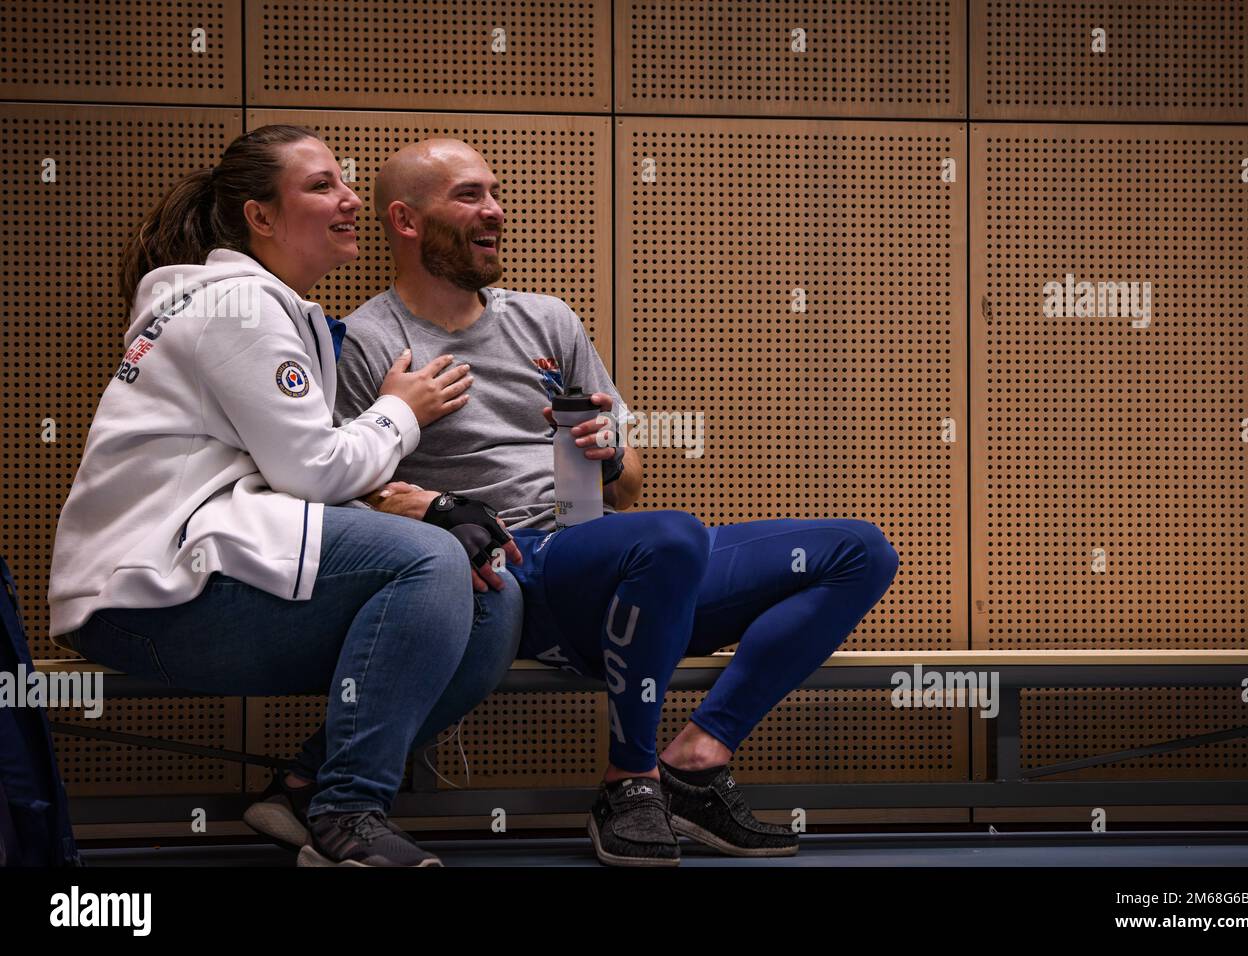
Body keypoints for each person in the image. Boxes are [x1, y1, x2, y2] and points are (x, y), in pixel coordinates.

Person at [334, 138, 901, 866]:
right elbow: (347, 490)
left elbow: (629, 484)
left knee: (859, 552)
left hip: (600, 552)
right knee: (669, 538)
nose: (495, 211)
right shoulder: (368, 340)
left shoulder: (547, 320)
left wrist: (605, 454)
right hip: (508, 572)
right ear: (405, 221)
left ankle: (695, 761)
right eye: (469, 196)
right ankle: (628, 782)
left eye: (496, 193)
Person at [47, 125, 524, 868]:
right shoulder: (237, 307)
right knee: (430, 564)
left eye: (346, 182)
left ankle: (304, 789)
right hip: (141, 604)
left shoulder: (267, 306)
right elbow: (312, 472)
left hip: (195, 579)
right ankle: (348, 817)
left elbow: (297, 476)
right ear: (260, 218)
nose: (350, 198)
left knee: (494, 597)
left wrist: (430, 504)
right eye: (322, 185)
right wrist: (402, 408)